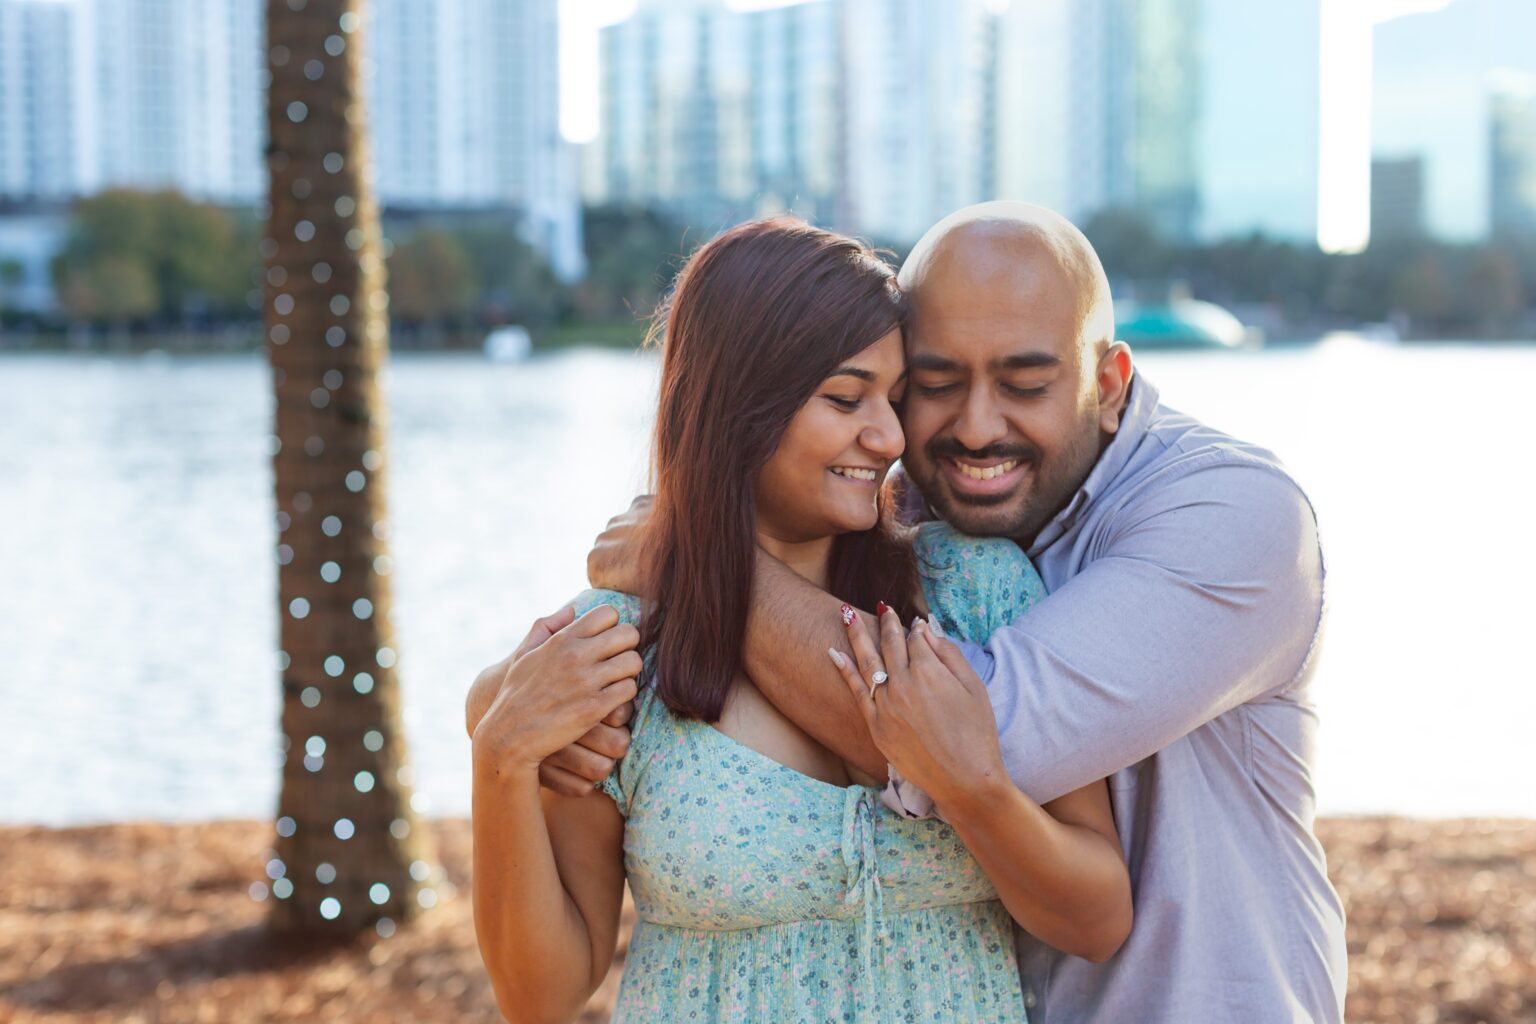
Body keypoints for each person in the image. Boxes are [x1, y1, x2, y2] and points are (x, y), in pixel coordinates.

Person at [491, 202, 1348, 1022]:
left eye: (1024, 382)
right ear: (735, 410)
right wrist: (500, 739)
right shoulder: (634, 637)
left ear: (1108, 384)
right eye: (927, 386)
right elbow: (546, 987)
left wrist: (699, 566)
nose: (940, 433)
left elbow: (966, 739)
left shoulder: (1223, 522)